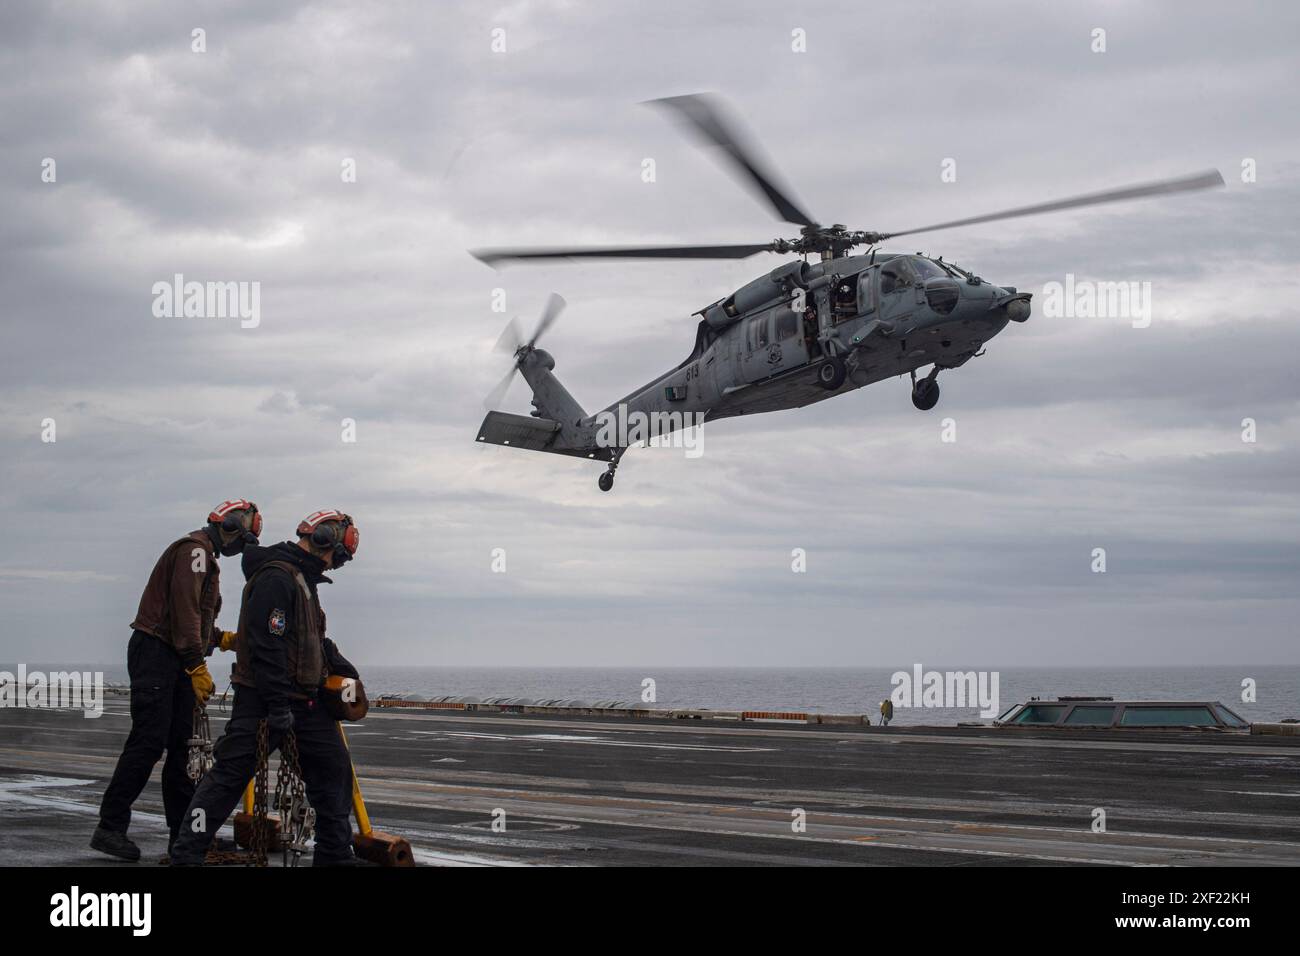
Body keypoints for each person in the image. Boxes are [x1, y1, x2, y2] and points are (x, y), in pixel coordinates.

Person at [170, 510, 362, 867]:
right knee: (227, 779)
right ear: (324, 540)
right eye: (336, 557)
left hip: (303, 700)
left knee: (333, 769)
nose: (332, 565)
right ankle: (186, 856)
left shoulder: (302, 579)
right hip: (264, 700)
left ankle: (334, 854)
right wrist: (276, 706)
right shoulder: (277, 577)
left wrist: (333, 661)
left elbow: (303, 637)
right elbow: (266, 645)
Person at [92, 499, 261, 861]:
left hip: (173, 654)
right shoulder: (194, 553)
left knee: (183, 751)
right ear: (231, 529)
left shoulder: (203, 556)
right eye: (242, 541)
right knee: (148, 743)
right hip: (157, 653)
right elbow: (184, 614)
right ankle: (109, 827)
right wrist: (196, 666)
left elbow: (194, 622)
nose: (240, 550)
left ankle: (184, 836)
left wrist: (222, 639)